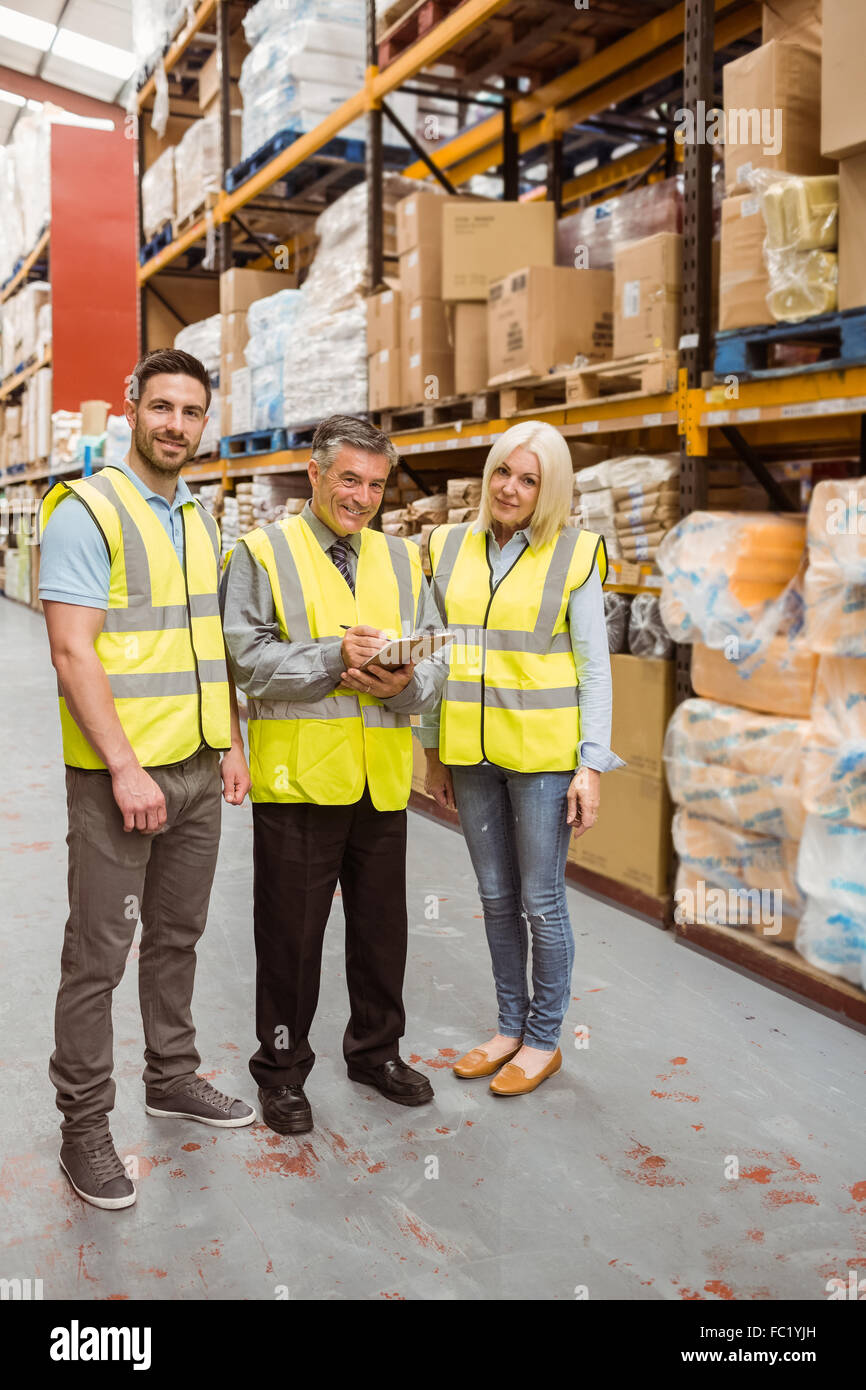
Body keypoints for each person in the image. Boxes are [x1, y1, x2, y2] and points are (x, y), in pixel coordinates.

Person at [39, 349, 254, 1212]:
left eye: (190, 411)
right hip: (120, 780)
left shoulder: (199, 516)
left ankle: (172, 1075)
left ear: (206, 421)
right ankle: (84, 1126)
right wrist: (126, 768)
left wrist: (231, 740)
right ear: (131, 407)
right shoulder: (86, 510)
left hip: (200, 769)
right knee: (98, 956)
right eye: (160, 406)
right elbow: (70, 649)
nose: (174, 424)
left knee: (177, 937)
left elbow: (209, 643)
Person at [220, 415, 448, 1137]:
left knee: (383, 933)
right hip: (298, 784)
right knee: (291, 939)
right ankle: (281, 1071)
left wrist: (401, 688)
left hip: (381, 780)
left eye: (376, 485)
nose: (362, 498)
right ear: (314, 474)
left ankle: (375, 1052)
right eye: (349, 479)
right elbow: (244, 661)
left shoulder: (404, 559)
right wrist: (331, 659)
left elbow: (437, 662)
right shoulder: (261, 553)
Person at [421, 420, 625, 1096]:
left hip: (542, 759)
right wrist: (433, 749)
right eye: (503, 472)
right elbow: (434, 650)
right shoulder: (449, 544)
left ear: (551, 489)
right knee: (495, 897)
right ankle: (508, 1028)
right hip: (471, 753)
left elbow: (595, 669)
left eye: (529, 479)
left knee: (542, 901)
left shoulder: (576, 554)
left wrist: (590, 765)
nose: (511, 488)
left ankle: (542, 1040)